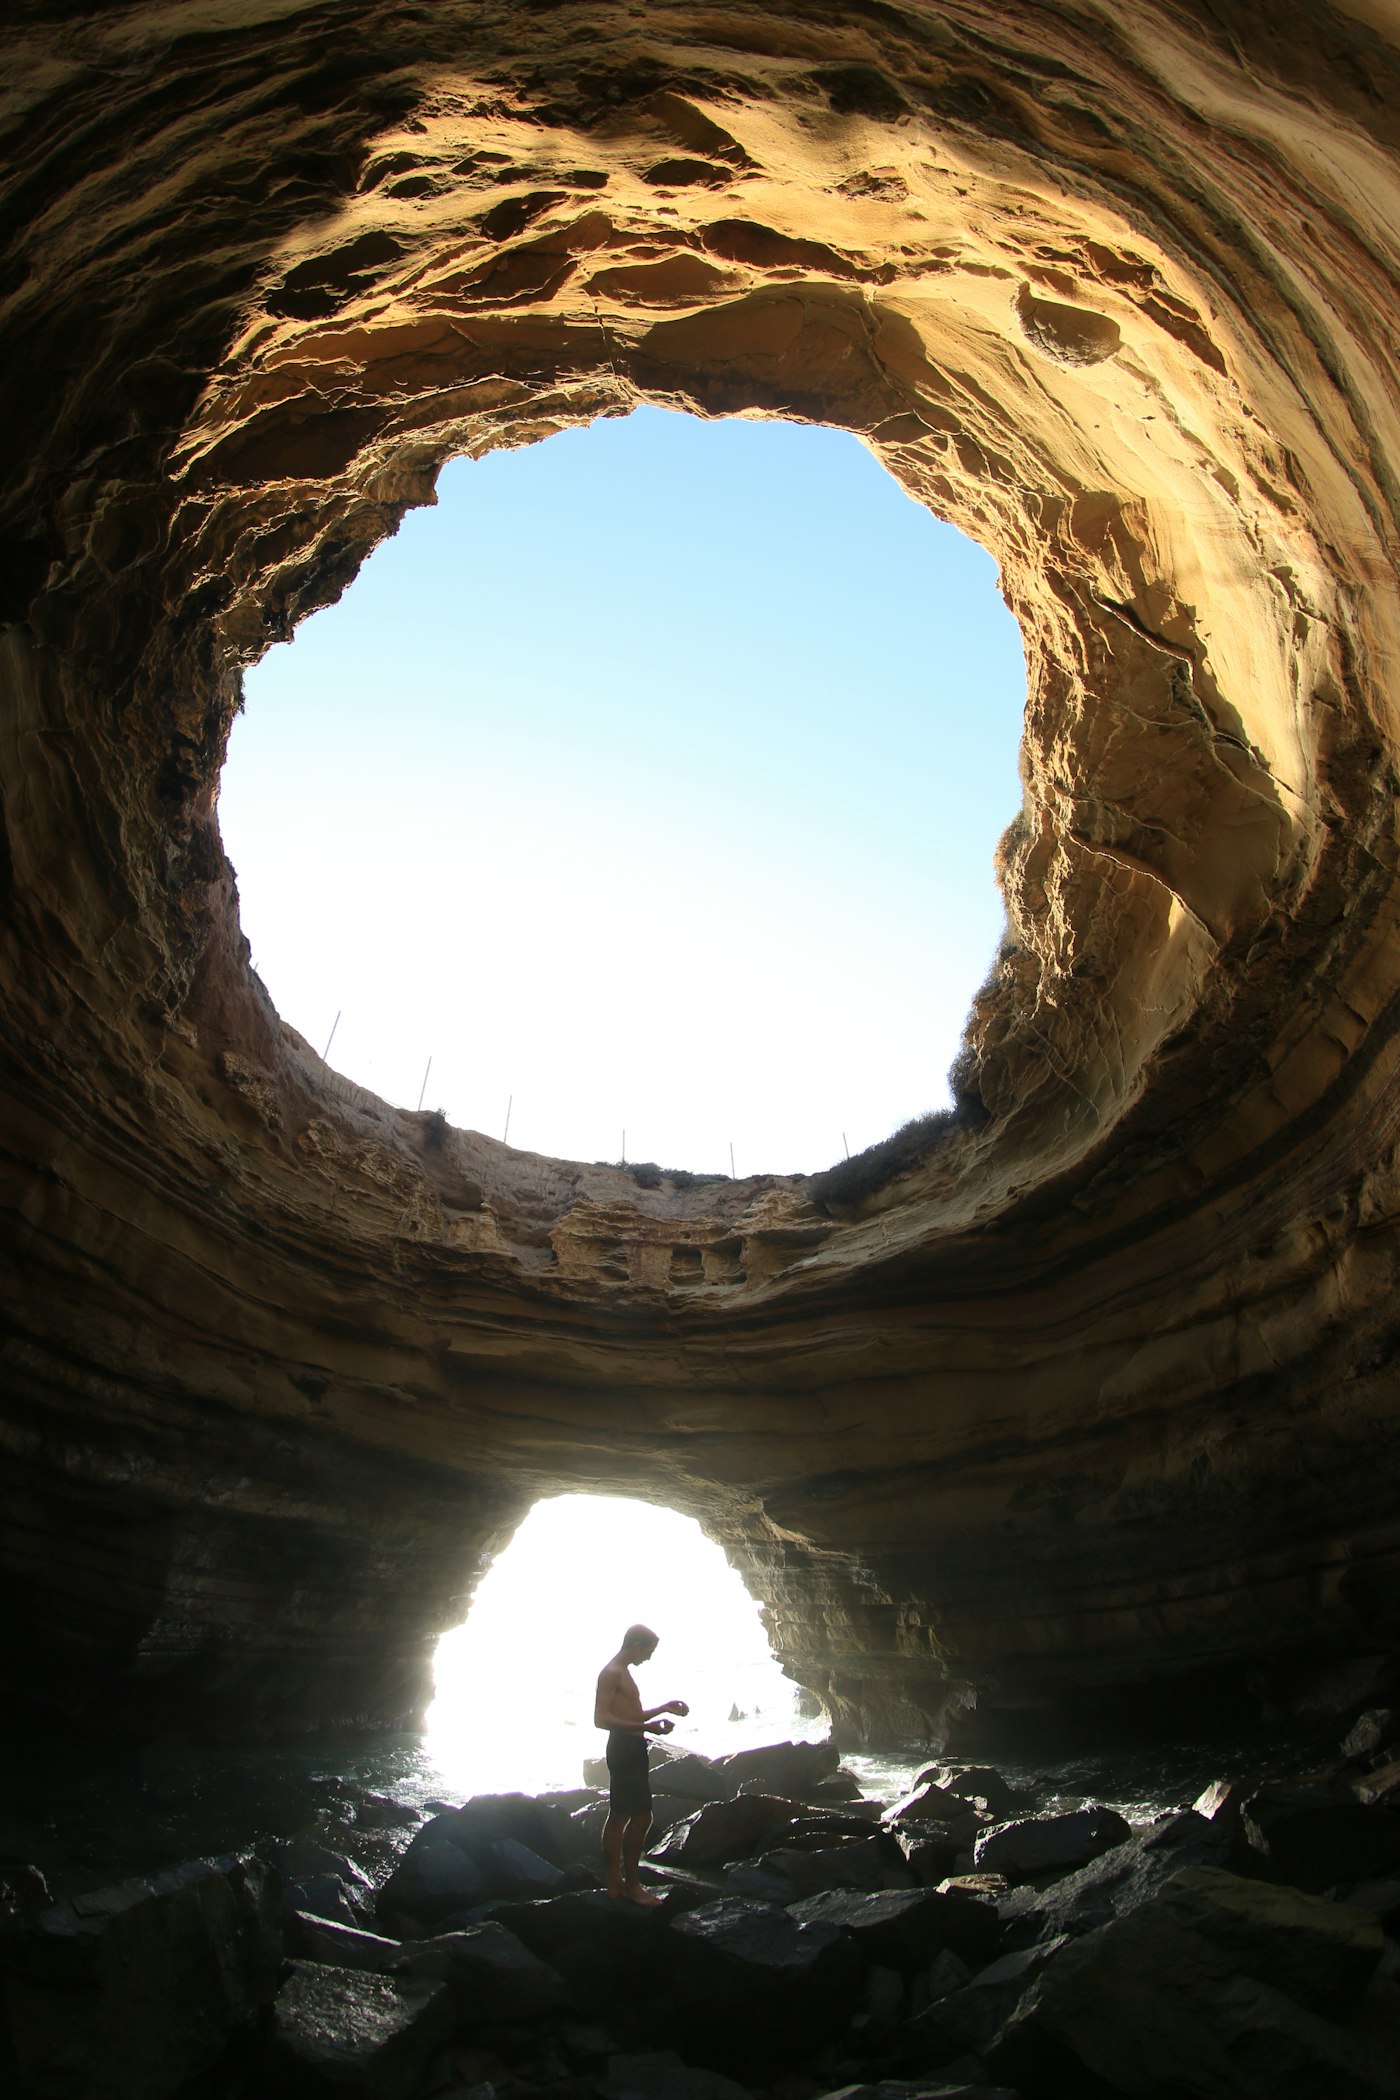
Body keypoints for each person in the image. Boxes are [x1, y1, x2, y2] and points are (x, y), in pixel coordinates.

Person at [594, 1623, 689, 1905]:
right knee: (640, 1815)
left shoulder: (621, 1673)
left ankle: (616, 1881)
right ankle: (632, 1885)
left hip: (630, 1746)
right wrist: (649, 1728)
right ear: (636, 1646)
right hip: (625, 1749)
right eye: (649, 1651)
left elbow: (631, 1714)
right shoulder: (612, 1673)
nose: (648, 1657)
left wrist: (662, 1708)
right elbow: (601, 1719)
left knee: (621, 1814)